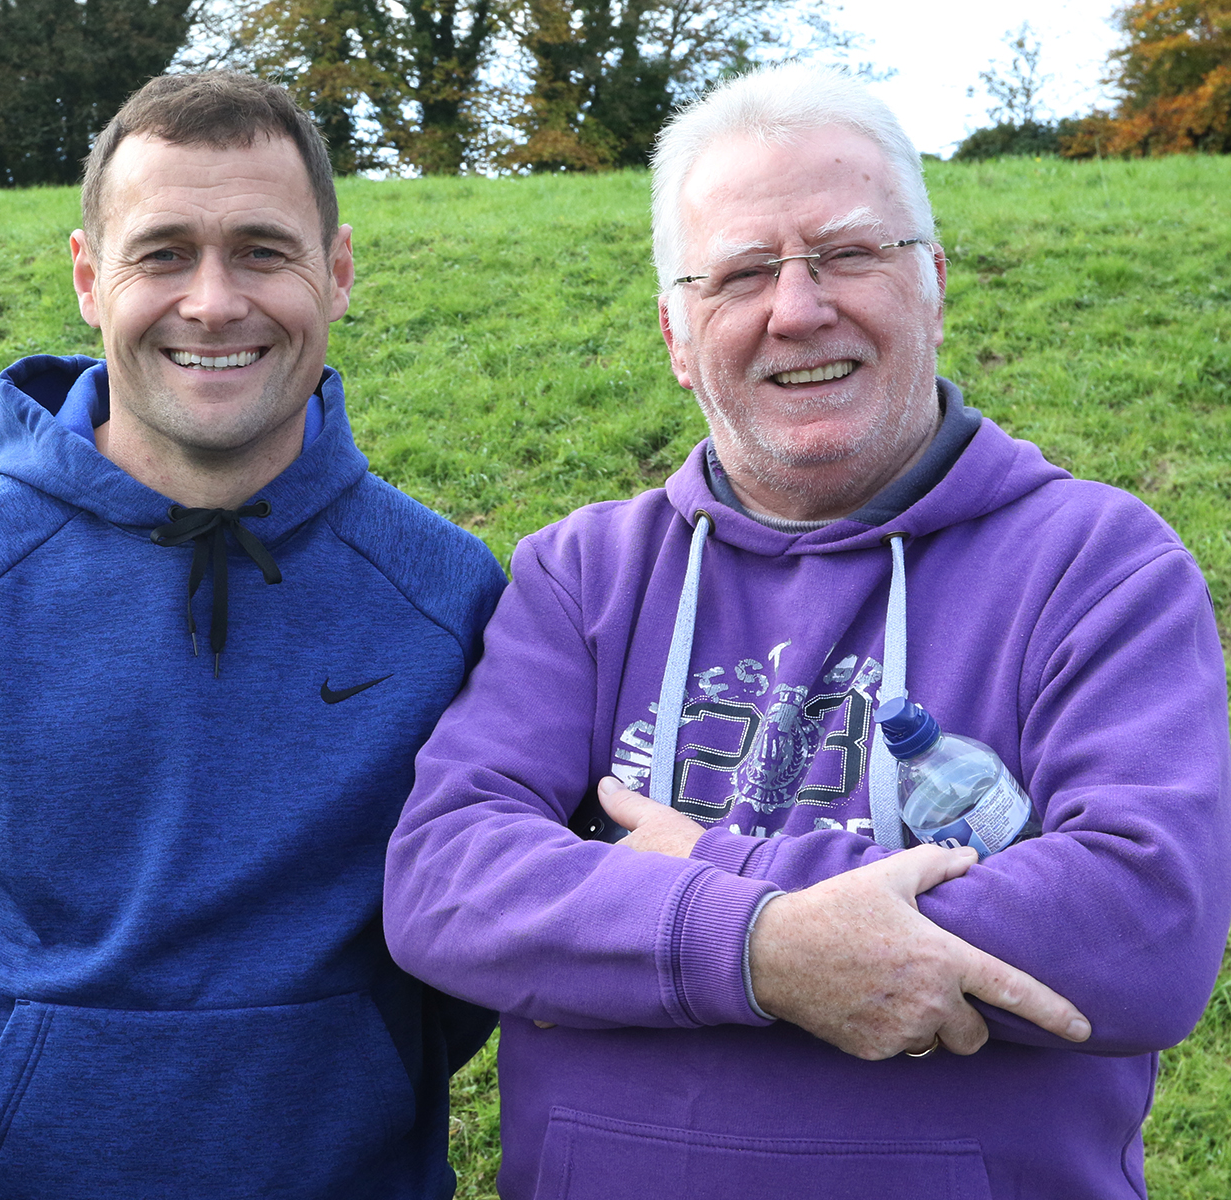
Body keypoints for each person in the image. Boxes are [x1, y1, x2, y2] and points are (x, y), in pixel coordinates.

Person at [384, 62, 1231, 1200]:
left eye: (846, 253)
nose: (798, 308)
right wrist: (765, 949)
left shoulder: (1098, 562)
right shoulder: (582, 575)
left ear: (933, 282)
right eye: (739, 273)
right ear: (678, 335)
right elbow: (447, 880)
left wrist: (702, 871)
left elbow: (1142, 929)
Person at [0, 72, 505, 1200]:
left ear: (339, 272)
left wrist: (343, 1079)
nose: (213, 302)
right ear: (87, 277)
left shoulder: (448, 594)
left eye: (263, 250)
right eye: (162, 253)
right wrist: (17, 1118)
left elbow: (472, 951)